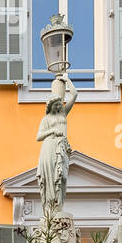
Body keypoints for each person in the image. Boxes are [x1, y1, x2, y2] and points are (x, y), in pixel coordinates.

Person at [36, 72, 77, 217]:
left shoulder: (63, 114)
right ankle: (51, 208)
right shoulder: (46, 119)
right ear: (51, 105)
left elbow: (75, 95)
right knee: (50, 178)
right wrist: (52, 130)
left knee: (62, 177)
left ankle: (59, 206)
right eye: (57, 104)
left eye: (60, 103)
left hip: (62, 146)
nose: (60, 105)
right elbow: (38, 136)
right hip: (49, 147)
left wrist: (67, 80)